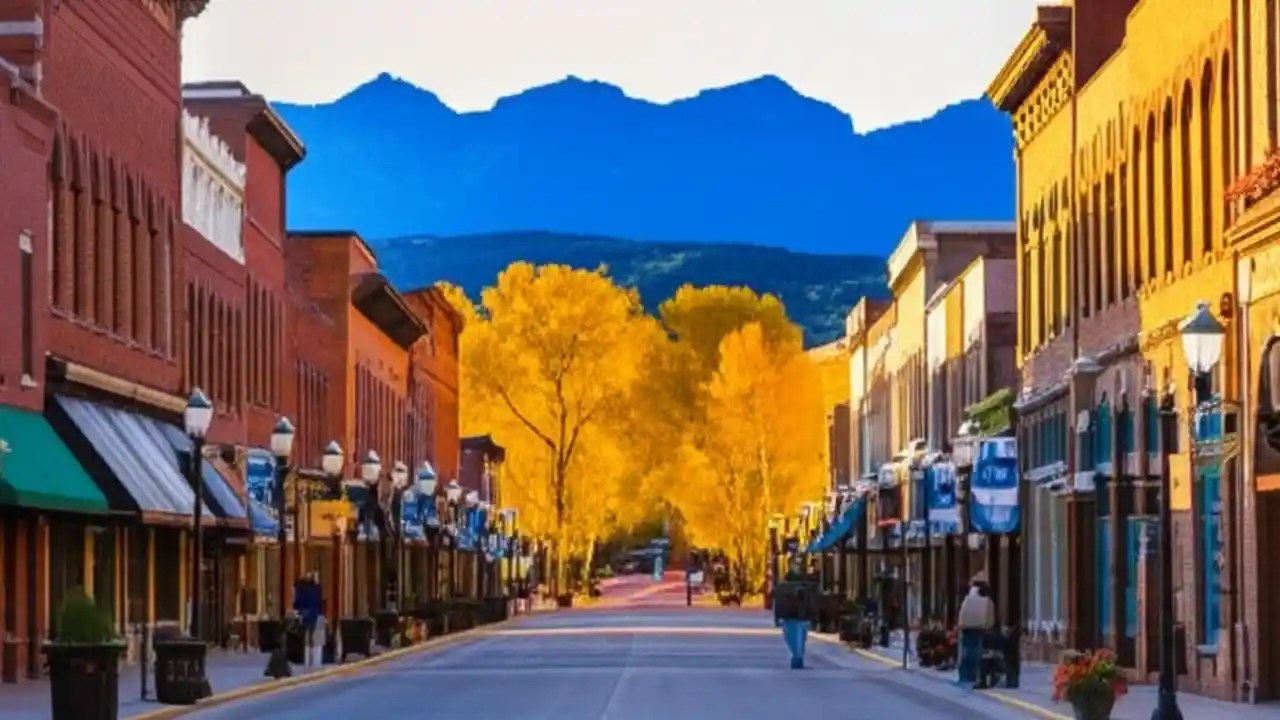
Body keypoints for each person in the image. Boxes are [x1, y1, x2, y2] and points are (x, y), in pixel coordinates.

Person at [956, 579, 995, 684]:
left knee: (967, 652)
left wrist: (961, 627)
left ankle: (965, 675)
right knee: (979, 653)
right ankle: (977, 675)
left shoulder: (967, 600)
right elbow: (990, 620)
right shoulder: (987, 601)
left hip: (966, 630)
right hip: (981, 630)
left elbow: (961, 616)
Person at [308, 600, 328, 668]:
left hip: (316, 636)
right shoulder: (322, 617)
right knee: (317, 651)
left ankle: (313, 664)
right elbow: (323, 627)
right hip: (319, 636)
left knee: (314, 651)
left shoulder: (315, 616)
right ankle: (316, 664)